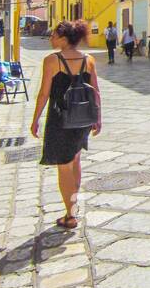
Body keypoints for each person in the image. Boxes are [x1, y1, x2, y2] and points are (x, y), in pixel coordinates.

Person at [31, 20, 101, 229]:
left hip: (60, 118)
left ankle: (70, 214)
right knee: (75, 159)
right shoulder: (88, 59)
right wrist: (98, 118)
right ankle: (74, 203)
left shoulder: (52, 61)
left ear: (63, 38)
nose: (51, 38)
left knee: (64, 166)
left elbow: (44, 93)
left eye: (54, 35)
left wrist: (35, 119)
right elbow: (96, 91)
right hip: (83, 117)